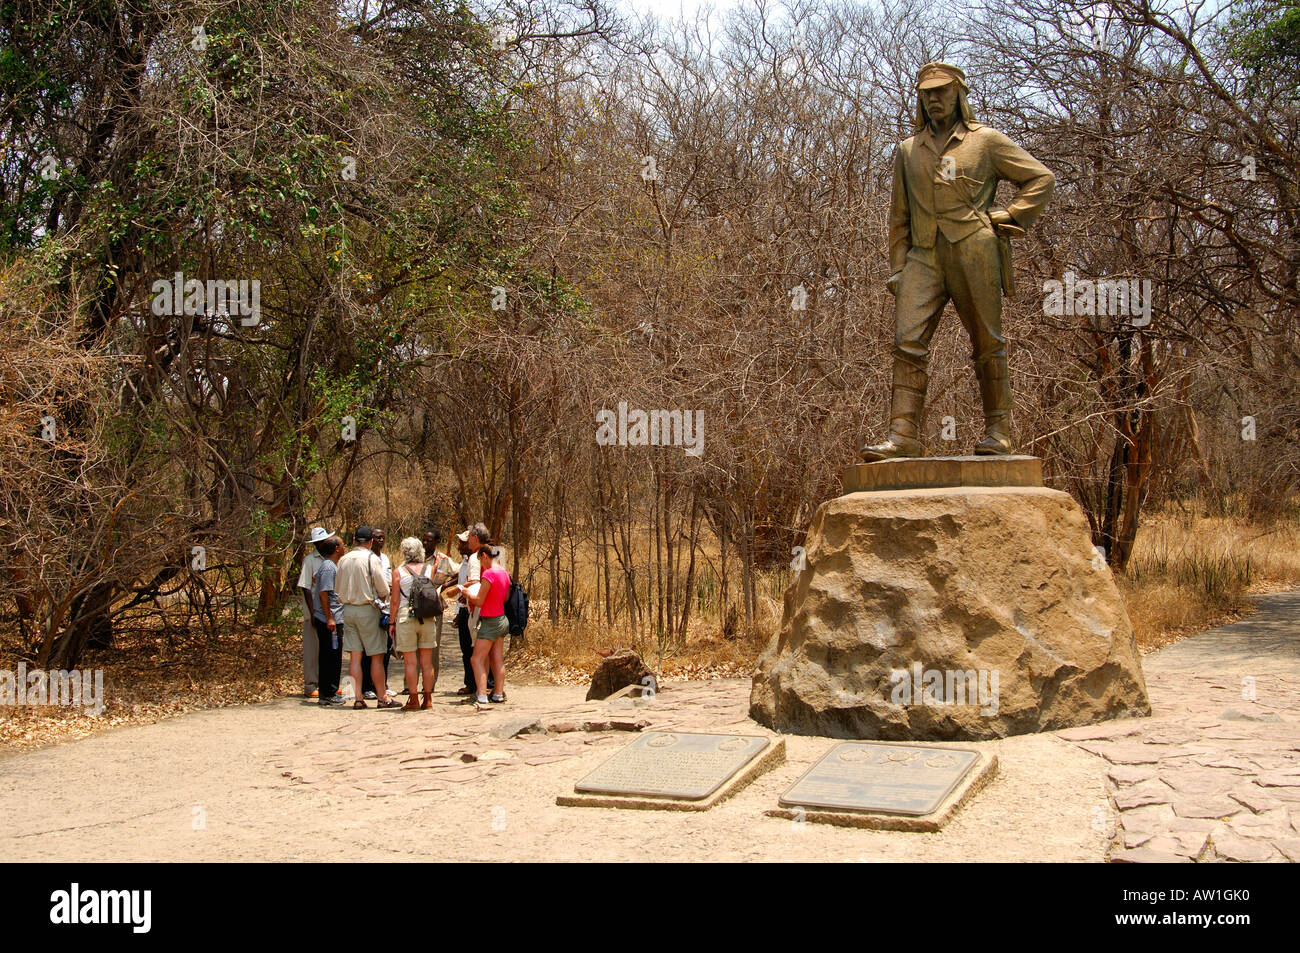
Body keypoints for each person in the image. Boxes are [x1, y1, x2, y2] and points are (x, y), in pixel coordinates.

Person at [861, 61, 1054, 460]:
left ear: (959, 93)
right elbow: (899, 216)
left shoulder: (986, 142)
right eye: (927, 93)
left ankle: (999, 431)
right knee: (907, 342)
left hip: (973, 249)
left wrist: (1012, 214)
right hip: (923, 256)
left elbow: (1040, 178)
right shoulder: (908, 150)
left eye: (942, 91)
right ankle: (902, 436)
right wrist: (897, 267)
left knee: (987, 341)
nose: (934, 99)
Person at [336, 525, 399, 709]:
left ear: (354, 540)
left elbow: (338, 589)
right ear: (371, 542)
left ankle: (357, 698)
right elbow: (383, 589)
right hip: (368, 610)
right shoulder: (372, 559)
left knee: (355, 657)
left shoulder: (343, 559)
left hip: (348, 610)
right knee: (376, 656)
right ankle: (382, 698)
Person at [389, 538, 441, 710]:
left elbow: (395, 601)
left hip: (406, 617)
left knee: (410, 662)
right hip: (426, 617)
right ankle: (428, 698)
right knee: (427, 662)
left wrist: (391, 622)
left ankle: (413, 699)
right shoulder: (429, 569)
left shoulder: (398, 572)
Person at [460, 542, 509, 709]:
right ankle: (497, 693)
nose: (481, 563)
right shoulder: (504, 572)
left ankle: (481, 695)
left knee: (476, 659)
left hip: (490, 621)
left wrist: (467, 593)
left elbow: (479, 600)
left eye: (481, 559)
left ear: (485, 557)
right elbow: (505, 597)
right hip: (502, 618)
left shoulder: (489, 574)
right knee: (497, 658)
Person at [311, 536, 346, 707]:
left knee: (335, 656)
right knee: (328, 656)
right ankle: (326, 694)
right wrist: (329, 617)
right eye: (343, 545)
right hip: (329, 620)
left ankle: (332, 691)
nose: (345, 548)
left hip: (336, 618)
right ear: (337, 548)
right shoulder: (328, 567)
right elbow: (323, 593)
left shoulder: (332, 566)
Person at [362, 528, 395, 699]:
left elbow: (389, 581)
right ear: (370, 540)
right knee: (369, 650)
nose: (380, 540)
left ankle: (383, 684)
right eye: (376, 538)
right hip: (371, 607)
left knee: (385, 648)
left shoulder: (385, 558)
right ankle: (367, 686)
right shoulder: (367, 558)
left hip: (386, 607)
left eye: (382, 537)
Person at [452, 525, 486, 695]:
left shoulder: (476, 558)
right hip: (465, 608)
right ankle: (471, 683)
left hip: (474, 607)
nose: (460, 546)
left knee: (475, 649)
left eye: (463, 542)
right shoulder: (465, 562)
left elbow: (474, 583)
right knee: (466, 649)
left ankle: (481, 686)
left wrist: (456, 590)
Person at [296, 527, 330, 697]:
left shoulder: (331, 559)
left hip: (329, 611)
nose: (321, 545)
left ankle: (327, 683)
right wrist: (313, 612)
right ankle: (311, 685)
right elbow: (306, 588)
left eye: (323, 542)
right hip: (314, 611)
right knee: (312, 648)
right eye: (319, 543)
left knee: (328, 648)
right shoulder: (310, 560)